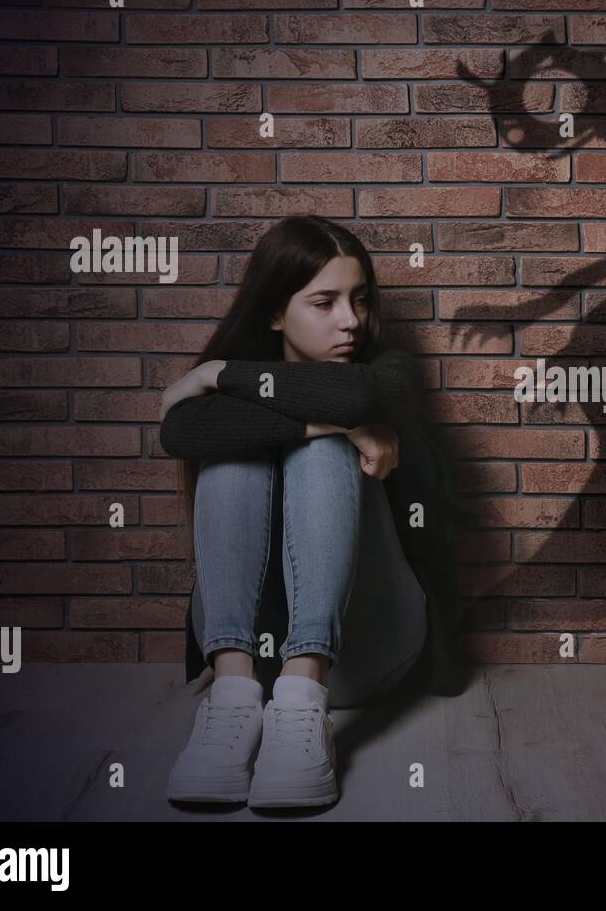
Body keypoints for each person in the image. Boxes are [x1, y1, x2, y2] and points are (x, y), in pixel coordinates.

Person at [157, 215, 451, 809]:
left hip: (369, 645)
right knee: (233, 454)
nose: (351, 321)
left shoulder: (387, 371)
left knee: (318, 451)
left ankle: (304, 695)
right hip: (252, 663)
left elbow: (356, 396)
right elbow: (181, 430)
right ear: (274, 312)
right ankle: (233, 697)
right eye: (325, 302)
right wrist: (339, 426)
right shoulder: (253, 389)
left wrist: (217, 373)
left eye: (359, 300)